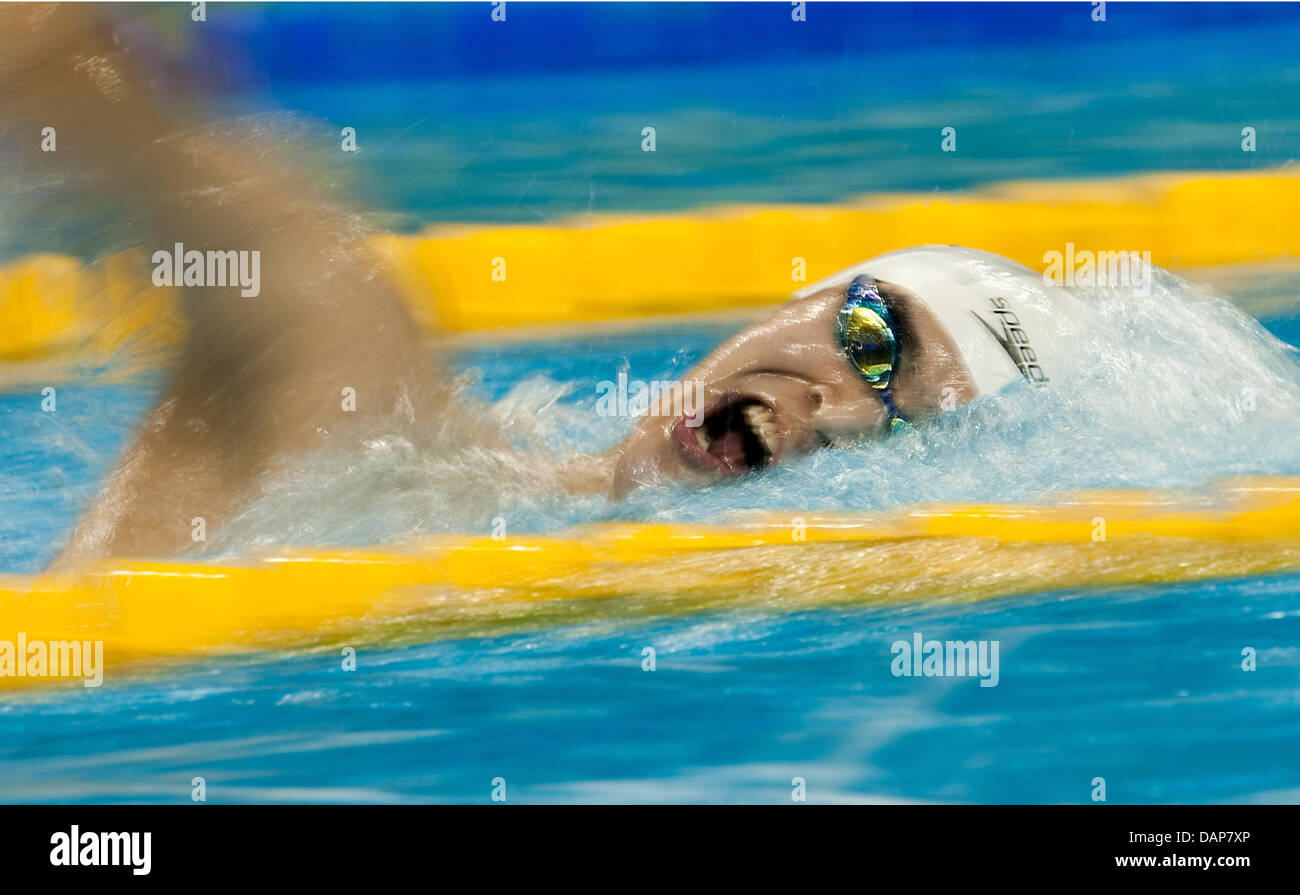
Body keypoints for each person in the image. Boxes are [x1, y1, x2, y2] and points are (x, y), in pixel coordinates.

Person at [2, 6, 1082, 565]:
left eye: (906, 434)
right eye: (874, 340)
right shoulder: (372, 408)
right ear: (790, 305)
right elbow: (94, 89)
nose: (838, 413)